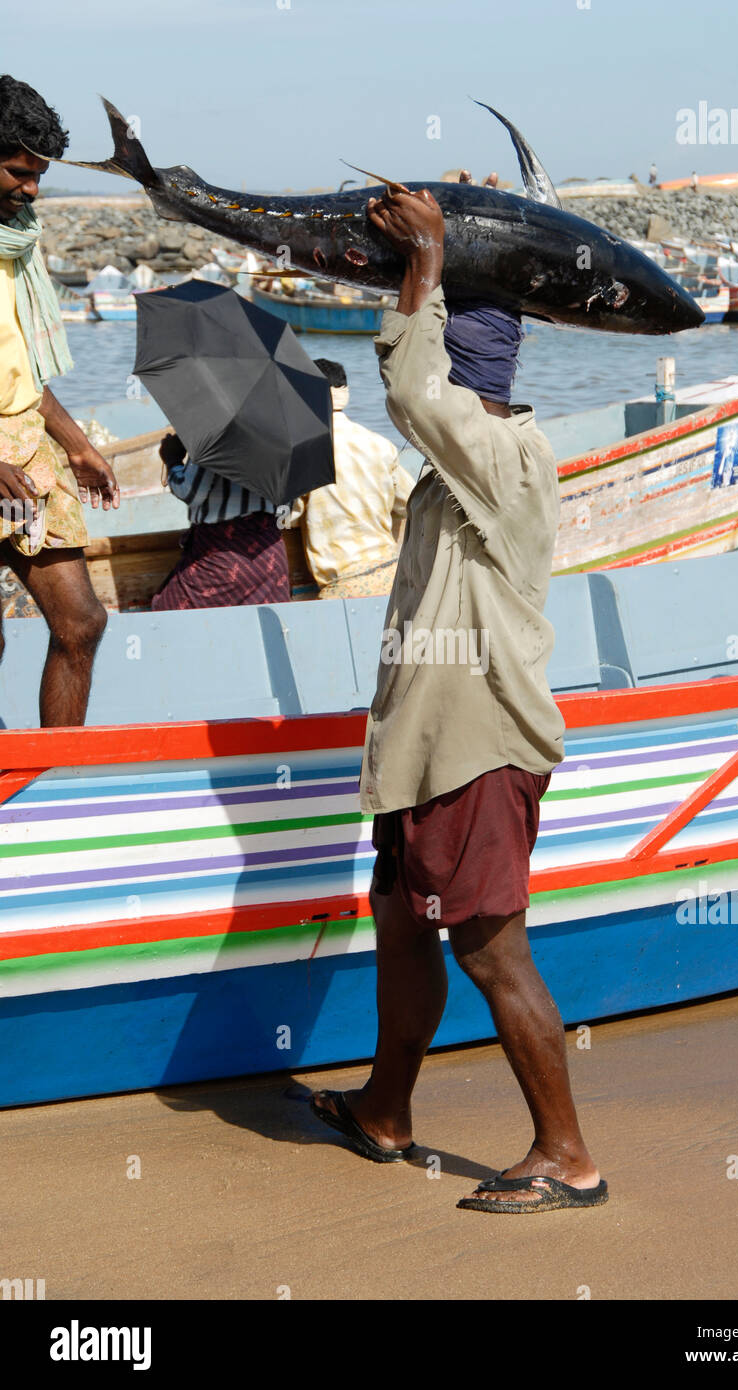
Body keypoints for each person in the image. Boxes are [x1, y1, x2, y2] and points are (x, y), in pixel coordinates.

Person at [309, 187, 607, 1214]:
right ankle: (387, 1109)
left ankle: (567, 1153)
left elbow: (414, 394)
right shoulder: (449, 477)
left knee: (491, 946)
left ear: (468, 376)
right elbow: (424, 407)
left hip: (479, 751)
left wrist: (427, 260)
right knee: (402, 921)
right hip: (422, 749)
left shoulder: (505, 457)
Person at [0, 75, 119, 726]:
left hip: (26, 447)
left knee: (82, 623)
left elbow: (22, 370)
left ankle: (56, 785)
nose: (32, 190)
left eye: (40, 174)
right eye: (19, 172)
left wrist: (76, 445)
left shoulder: (16, 246)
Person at [283, 359, 411, 599]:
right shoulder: (380, 445)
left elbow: (288, 517)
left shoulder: (302, 453)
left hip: (342, 587)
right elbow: (410, 502)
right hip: (392, 577)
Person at [150, 432, 290, 609]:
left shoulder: (214, 429)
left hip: (222, 558)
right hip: (270, 554)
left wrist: (173, 461)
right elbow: (289, 504)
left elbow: (190, 491)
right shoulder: (282, 433)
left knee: (167, 615)